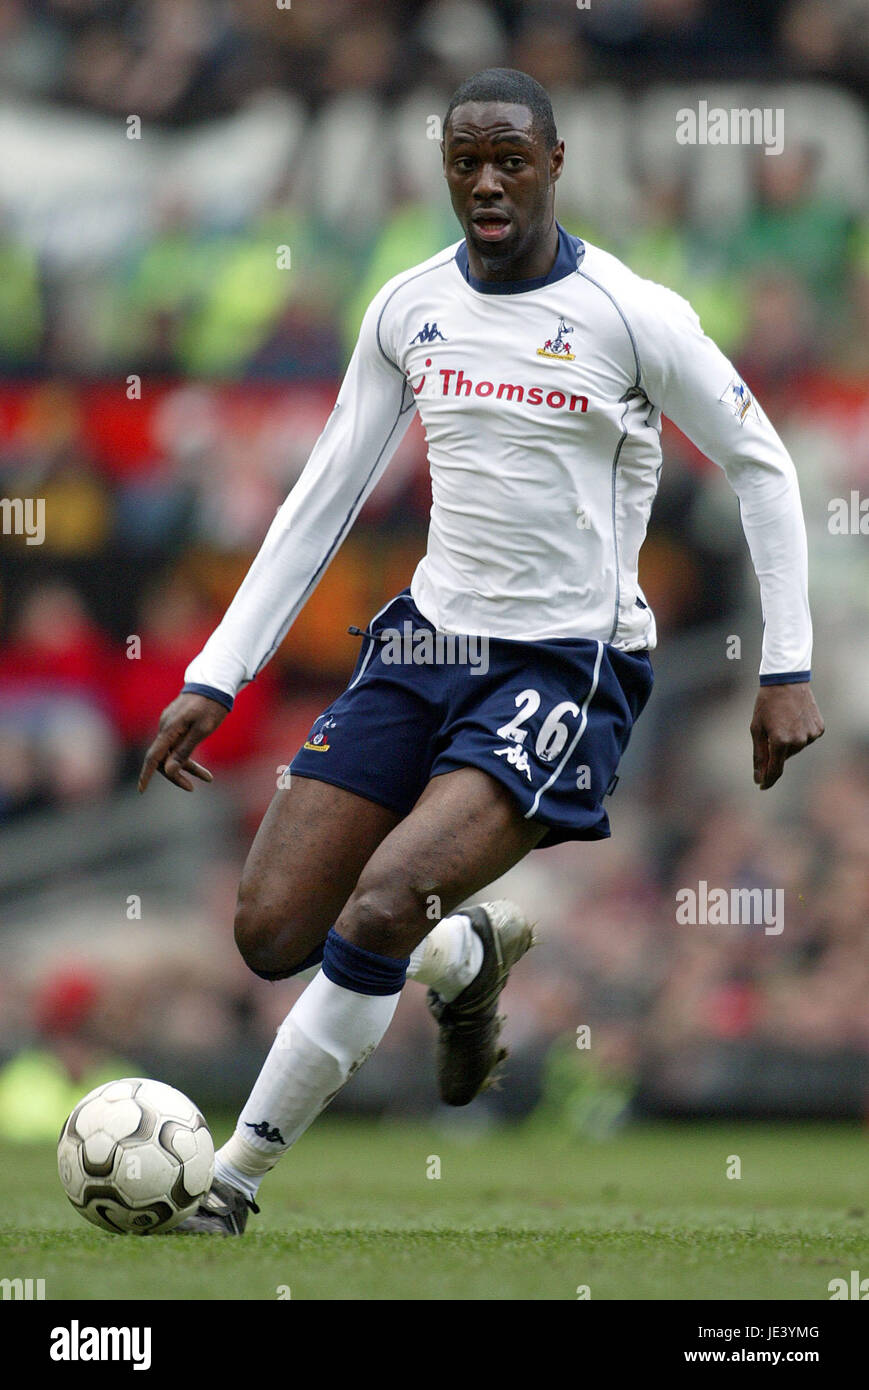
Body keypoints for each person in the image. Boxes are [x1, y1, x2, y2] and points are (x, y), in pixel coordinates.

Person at [139, 69, 824, 1235]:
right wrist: (217, 669)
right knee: (268, 934)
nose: (488, 182)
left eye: (511, 158)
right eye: (467, 161)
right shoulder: (407, 307)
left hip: (566, 662)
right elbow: (322, 496)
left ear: (555, 163)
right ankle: (460, 960)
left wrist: (784, 665)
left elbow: (761, 463)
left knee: (378, 903)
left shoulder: (629, 314)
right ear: (442, 168)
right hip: (422, 643)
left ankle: (232, 1183)